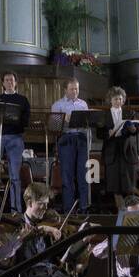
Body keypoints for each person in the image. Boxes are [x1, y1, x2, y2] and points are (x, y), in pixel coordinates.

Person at [0, 72, 30, 212]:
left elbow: (25, 119)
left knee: (15, 175)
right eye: (6, 80)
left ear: (16, 83)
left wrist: (15, 120)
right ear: (2, 83)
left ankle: (15, 209)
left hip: (15, 136)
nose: (9, 82)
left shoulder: (22, 100)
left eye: (12, 80)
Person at [49, 78, 91, 215]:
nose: (75, 91)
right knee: (67, 177)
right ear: (65, 90)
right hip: (66, 139)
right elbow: (54, 128)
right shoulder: (57, 105)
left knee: (83, 176)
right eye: (72, 89)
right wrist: (63, 119)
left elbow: (88, 123)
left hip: (82, 139)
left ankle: (84, 207)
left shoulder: (83, 104)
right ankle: (69, 210)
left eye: (77, 89)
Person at [101, 87, 139, 206]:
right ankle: (120, 212)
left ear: (123, 100)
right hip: (112, 152)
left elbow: (135, 131)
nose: (118, 101)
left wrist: (133, 129)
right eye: (115, 99)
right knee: (114, 186)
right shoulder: (104, 115)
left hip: (127, 151)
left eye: (120, 99)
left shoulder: (130, 113)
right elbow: (99, 133)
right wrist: (107, 133)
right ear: (110, 100)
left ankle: (132, 212)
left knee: (129, 185)